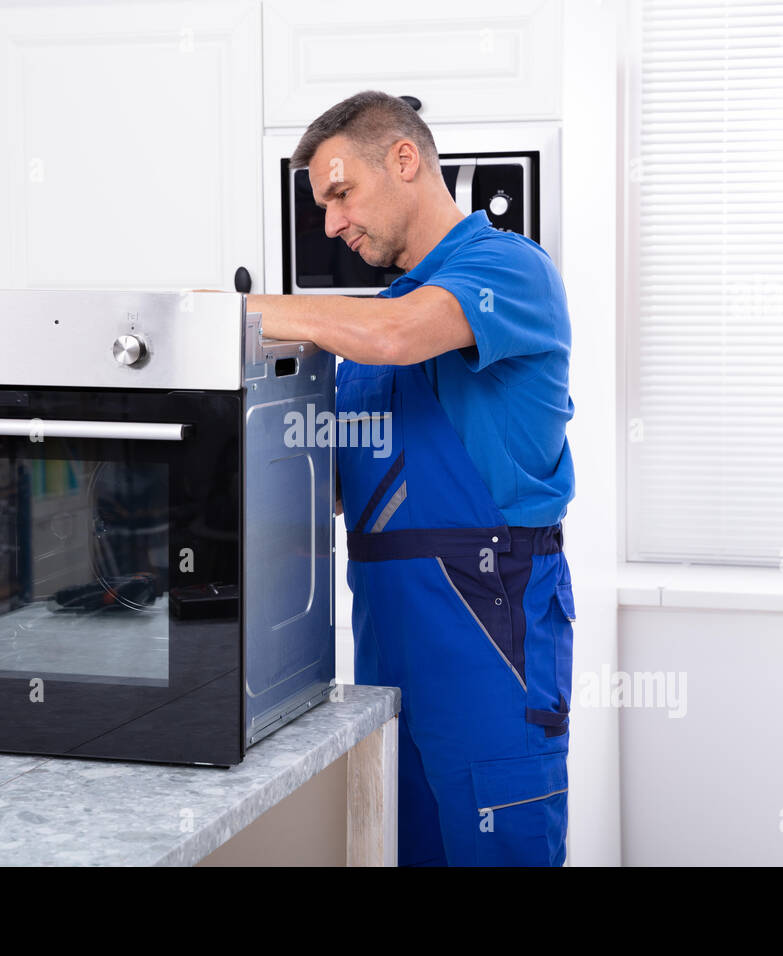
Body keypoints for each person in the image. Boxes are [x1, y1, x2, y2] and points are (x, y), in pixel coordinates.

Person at [247, 90, 576, 867]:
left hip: (490, 643)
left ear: (404, 161)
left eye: (339, 194)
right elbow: (328, 488)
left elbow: (395, 338)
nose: (329, 223)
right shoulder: (378, 318)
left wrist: (228, 312)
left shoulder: (506, 270)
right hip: (386, 648)